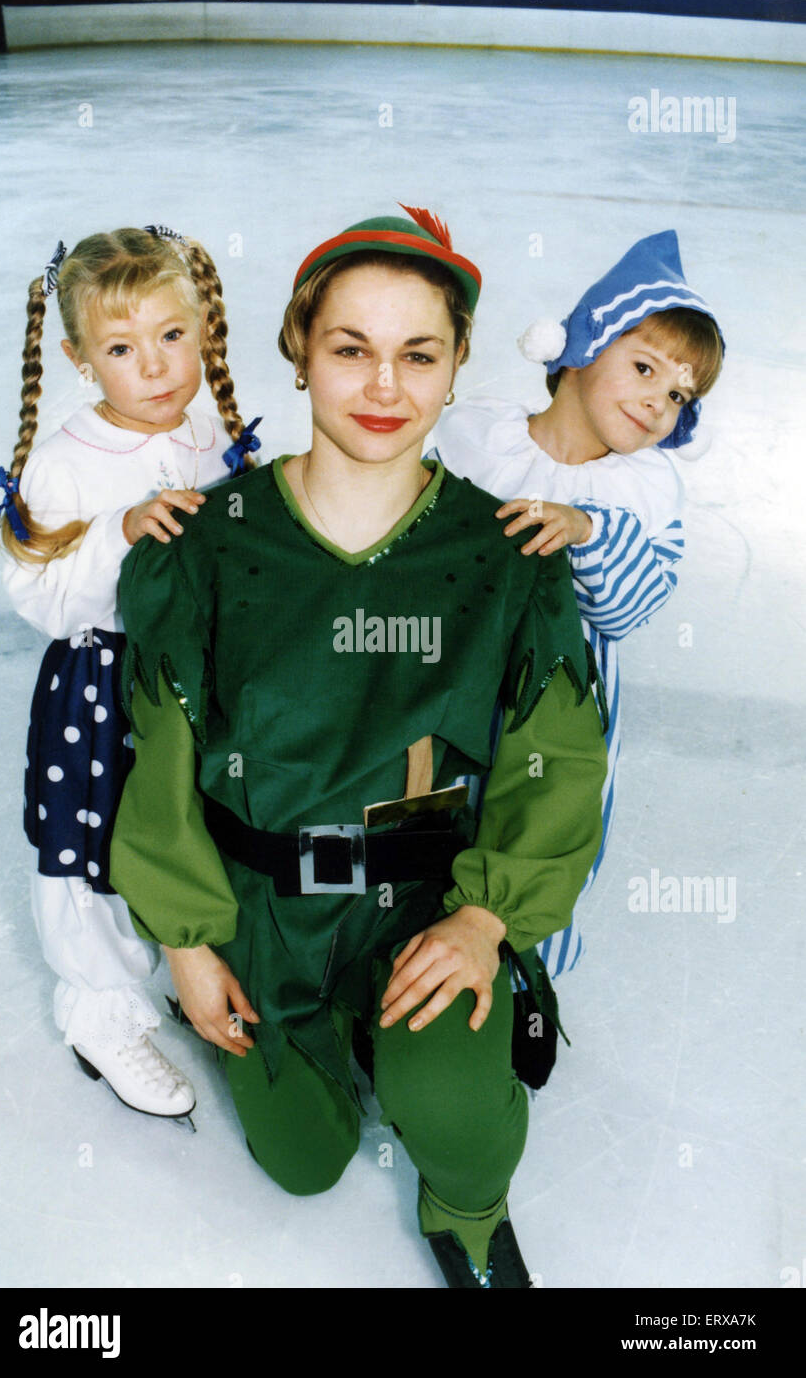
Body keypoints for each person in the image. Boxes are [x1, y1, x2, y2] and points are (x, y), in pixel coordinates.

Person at [110, 206, 607, 1288]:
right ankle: (318, 1042)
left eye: (417, 354)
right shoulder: (204, 547)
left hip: (426, 910)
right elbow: (157, 761)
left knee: (457, 1120)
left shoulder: (509, 558)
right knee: (302, 1162)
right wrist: (191, 943)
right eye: (351, 350)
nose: (385, 387)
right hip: (263, 913)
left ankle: (462, 1197)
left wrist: (485, 918)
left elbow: (554, 763)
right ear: (300, 351)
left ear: (456, 363)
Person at [0, 225, 261, 1121]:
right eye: (120, 348)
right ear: (78, 357)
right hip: (102, 687)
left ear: (201, 329)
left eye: (171, 336)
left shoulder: (209, 428)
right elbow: (40, 597)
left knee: (179, 824)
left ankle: (184, 960)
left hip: (192, 674)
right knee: (91, 847)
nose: (155, 366)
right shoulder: (66, 460)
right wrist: (120, 534)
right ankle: (100, 1013)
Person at [432, 231, 724, 979]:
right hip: (448, 669)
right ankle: (421, 939)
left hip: (560, 690)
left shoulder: (640, 489)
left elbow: (629, 609)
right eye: (643, 367)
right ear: (579, 348)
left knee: (542, 811)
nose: (657, 401)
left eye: (677, 394)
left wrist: (587, 532)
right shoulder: (480, 436)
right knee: (436, 801)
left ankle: (523, 961)